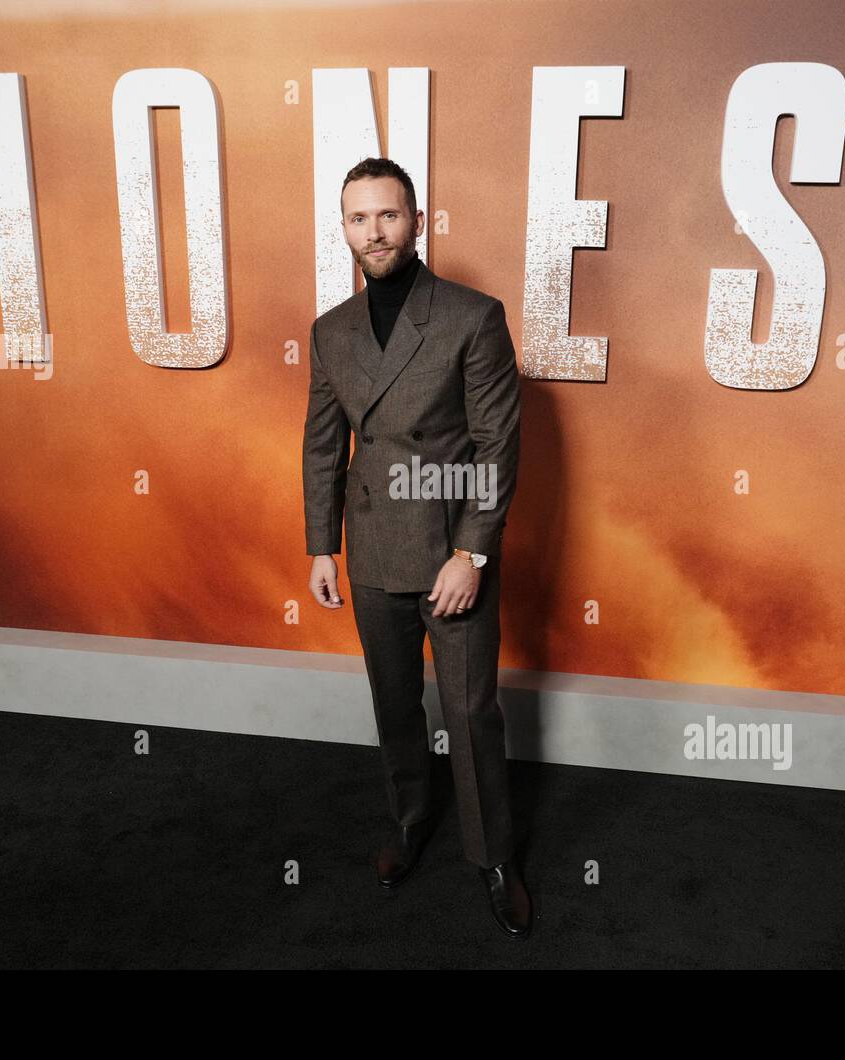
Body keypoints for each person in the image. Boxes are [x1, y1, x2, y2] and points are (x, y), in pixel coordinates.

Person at [301, 157, 531, 938]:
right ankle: (408, 824)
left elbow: (498, 445)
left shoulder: (472, 315)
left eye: (389, 216)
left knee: (469, 712)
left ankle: (494, 857)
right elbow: (323, 446)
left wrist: (472, 553)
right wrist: (320, 546)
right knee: (394, 705)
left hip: (449, 550)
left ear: (417, 221)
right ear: (344, 229)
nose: (375, 231)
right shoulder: (330, 331)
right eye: (359, 218)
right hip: (371, 549)